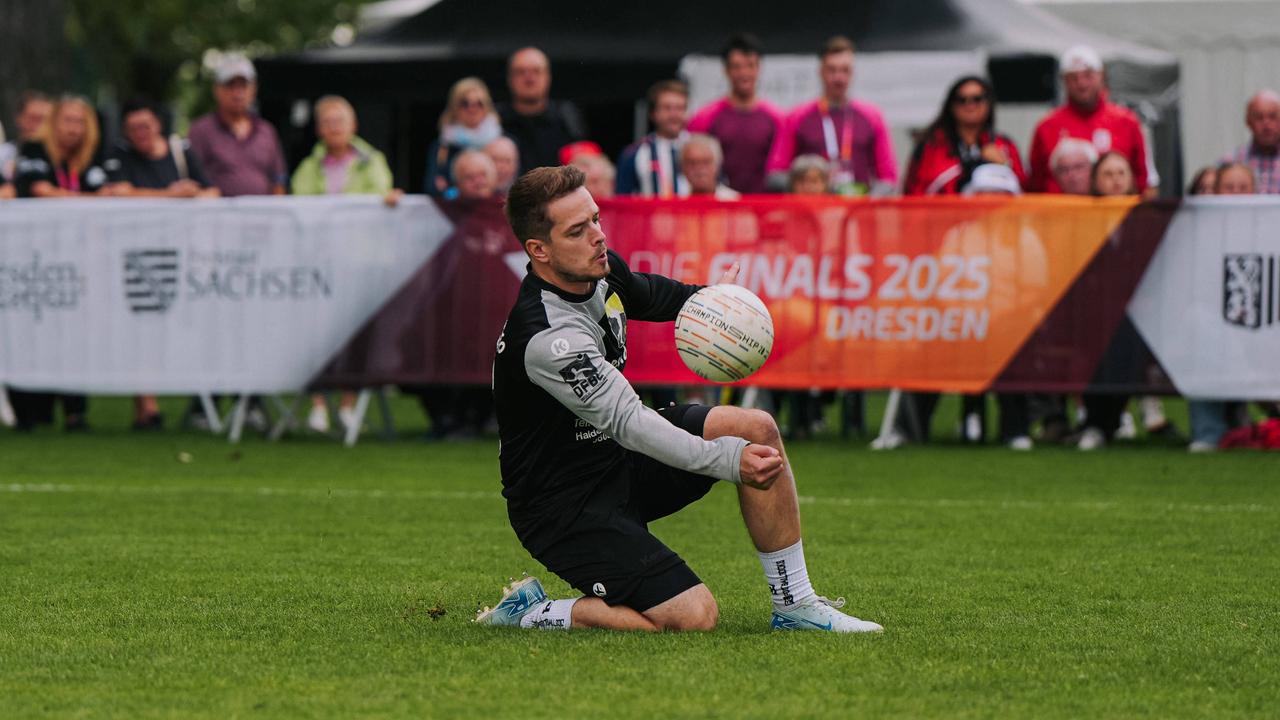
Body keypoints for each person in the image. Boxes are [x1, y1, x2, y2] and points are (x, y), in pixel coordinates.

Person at [477, 165, 881, 633]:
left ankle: (796, 606)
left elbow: (649, 294)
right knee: (691, 617)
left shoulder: (598, 269)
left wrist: (715, 301)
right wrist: (727, 462)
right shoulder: (547, 339)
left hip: (616, 463)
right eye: (578, 230)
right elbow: (632, 422)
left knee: (757, 429)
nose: (598, 236)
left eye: (595, 219)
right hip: (564, 508)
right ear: (538, 250)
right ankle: (530, 611)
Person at [10, 95, 124, 432]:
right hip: (34, 261)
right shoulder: (34, 151)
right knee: (33, 330)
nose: (73, 129)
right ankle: (30, 410)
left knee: (74, 334)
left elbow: (111, 194)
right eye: (68, 120)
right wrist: (89, 202)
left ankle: (75, 410)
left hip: (80, 262)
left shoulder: (96, 157)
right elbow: (39, 191)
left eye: (80, 122)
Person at [290, 95, 399, 434]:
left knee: (357, 333)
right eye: (328, 122)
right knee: (315, 334)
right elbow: (300, 207)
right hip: (320, 262)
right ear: (319, 129)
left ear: (353, 126)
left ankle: (350, 404)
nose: (334, 127)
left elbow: (378, 202)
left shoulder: (372, 160)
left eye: (340, 121)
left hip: (360, 261)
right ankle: (319, 404)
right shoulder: (309, 166)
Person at [767, 36, 897, 196]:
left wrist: (868, 202)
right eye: (832, 70)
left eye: (844, 70)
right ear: (821, 72)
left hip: (857, 214)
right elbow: (775, 174)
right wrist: (807, 185)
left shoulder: (872, 117)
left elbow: (888, 178)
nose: (838, 78)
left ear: (852, 72)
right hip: (810, 213)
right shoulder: (796, 117)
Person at [1186, 162, 1256, 451]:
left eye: (1243, 188)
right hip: (1216, 323)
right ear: (1215, 192)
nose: (1237, 194)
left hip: (1264, 322)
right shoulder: (1196, 233)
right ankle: (1209, 431)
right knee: (1198, 321)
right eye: (1230, 188)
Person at [1027, 46, 1156, 196]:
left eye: (1088, 75)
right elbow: (1034, 186)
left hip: (1116, 215)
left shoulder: (1127, 122)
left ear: (1101, 76)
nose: (1081, 83)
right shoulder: (1046, 127)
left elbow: (1147, 184)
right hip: (1062, 215)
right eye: (1073, 77)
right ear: (1064, 81)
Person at [686, 33, 785, 194]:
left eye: (750, 65)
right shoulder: (704, 118)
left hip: (762, 208)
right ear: (726, 70)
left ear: (758, 68)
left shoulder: (776, 118)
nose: (744, 73)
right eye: (737, 67)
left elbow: (778, 170)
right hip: (719, 209)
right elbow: (691, 165)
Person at [903, 76, 1025, 196]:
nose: (969, 105)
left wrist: (1005, 167)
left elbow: (1024, 192)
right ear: (951, 105)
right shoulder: (932, 147)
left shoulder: (1004, 145)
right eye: (961, 100)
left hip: (994, 215)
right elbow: (914, 193)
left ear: (989, 103)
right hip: (944, 214)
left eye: (977, 99)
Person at [188, 54, 288, 197]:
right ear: (217, 89)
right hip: (216, 216)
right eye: (230, 85)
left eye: (243, 85)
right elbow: (192, 179)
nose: (237, 93)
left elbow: (278, 178)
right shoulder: (201, 130)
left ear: (254, 89)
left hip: (262, 216)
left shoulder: (266, 130)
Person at [106, 97, 219, 199]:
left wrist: (193, 194)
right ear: (125, 131)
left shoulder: (180, 151)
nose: (140, 134)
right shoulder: (121, 153)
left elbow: (212, 191)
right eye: (133, 129)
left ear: (158, 124)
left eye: (145, 127)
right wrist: (171, 194)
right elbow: (119, 192)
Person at [497, 47, 586, 172]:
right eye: (521, 72)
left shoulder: (566, 118)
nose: (529, 79)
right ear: (510, 79)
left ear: (548, 77)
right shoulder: (495, 121)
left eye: (537, 71)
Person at [425, 77, 503, 197]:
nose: (472, 109)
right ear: (454, 107)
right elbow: (433, 187)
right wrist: (456, 193)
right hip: (456, 211)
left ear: (487, 106)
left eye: (479, 103)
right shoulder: (442, 148)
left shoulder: (502, 143)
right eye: (465, 103)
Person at [616, 80, 691, 197]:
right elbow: (622, 199)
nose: (674, 114)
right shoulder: (634, 153)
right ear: (653, 113)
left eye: (680, 108)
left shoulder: (702, 150)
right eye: (667, 108)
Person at [1220, 91, 1280, 194]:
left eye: (1272, 116)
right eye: (1259, 117)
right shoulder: (1229, 163)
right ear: (1248, 121)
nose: (1266, 123)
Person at [0, 90, 52, 181]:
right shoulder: (3, 153)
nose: (38, 126)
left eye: (44, 120)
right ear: (18, 118)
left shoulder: (62, 158)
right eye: (33, 118)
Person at [680, 134, 738, 199]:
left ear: (717, 165)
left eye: (705, 162)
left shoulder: (734, 201)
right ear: (683, 167)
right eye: (692, 163)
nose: (699, 169)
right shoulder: (676, 200)